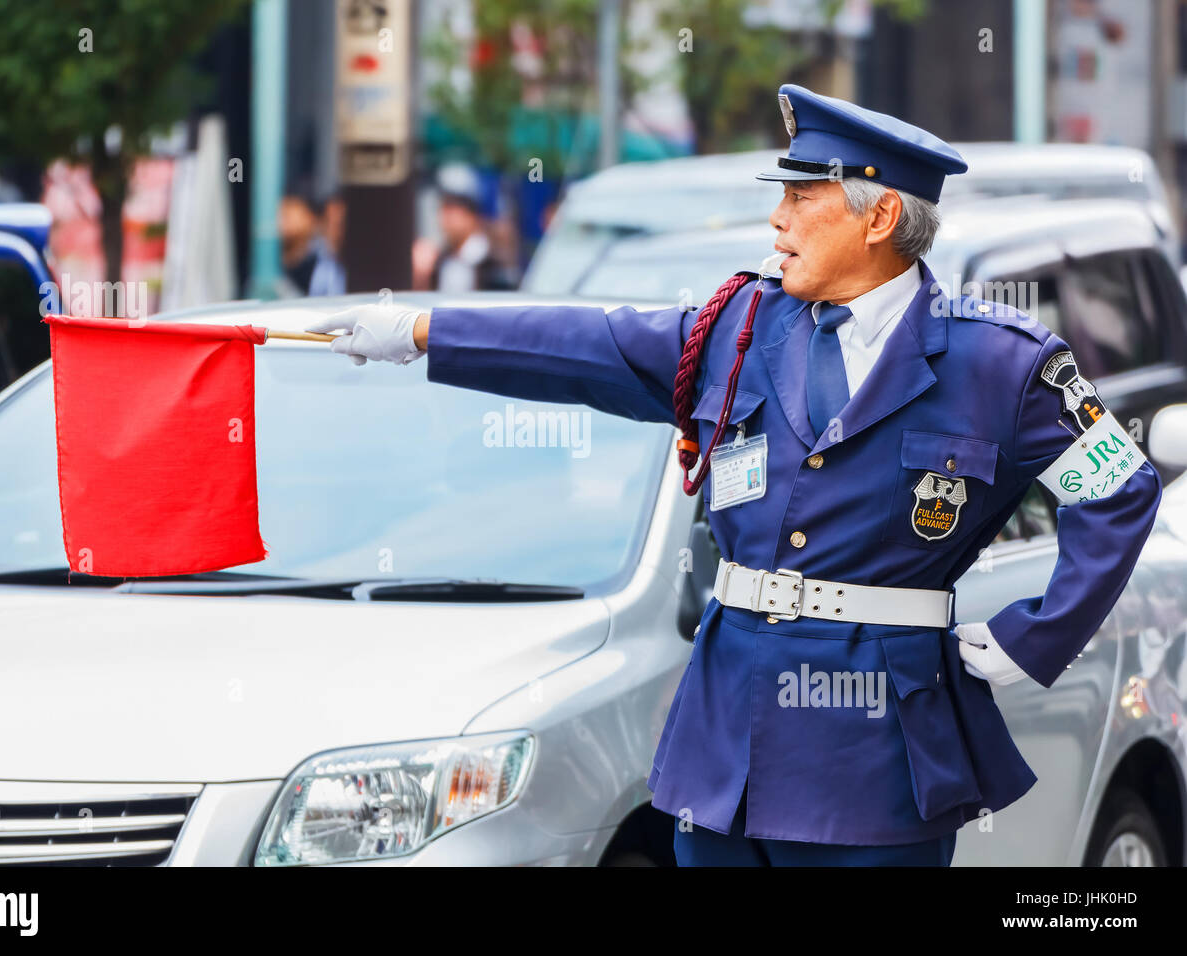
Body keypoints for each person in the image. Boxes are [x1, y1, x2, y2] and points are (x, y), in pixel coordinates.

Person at [307, 86, 1163, 866]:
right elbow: (580, 344)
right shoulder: (740, 329)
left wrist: (1034, 638)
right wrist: (422, 332)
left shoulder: (1000, 362)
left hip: (877, 758)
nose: (778, 221)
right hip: (724, 751)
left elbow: (1120, 492)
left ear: (879, 216)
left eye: (801, 197)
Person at [424, 163, 515, 293]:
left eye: (451, 207)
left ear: (472, 214)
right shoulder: (440, 260)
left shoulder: (493, 266)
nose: (444, 215)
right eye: (442, 207)